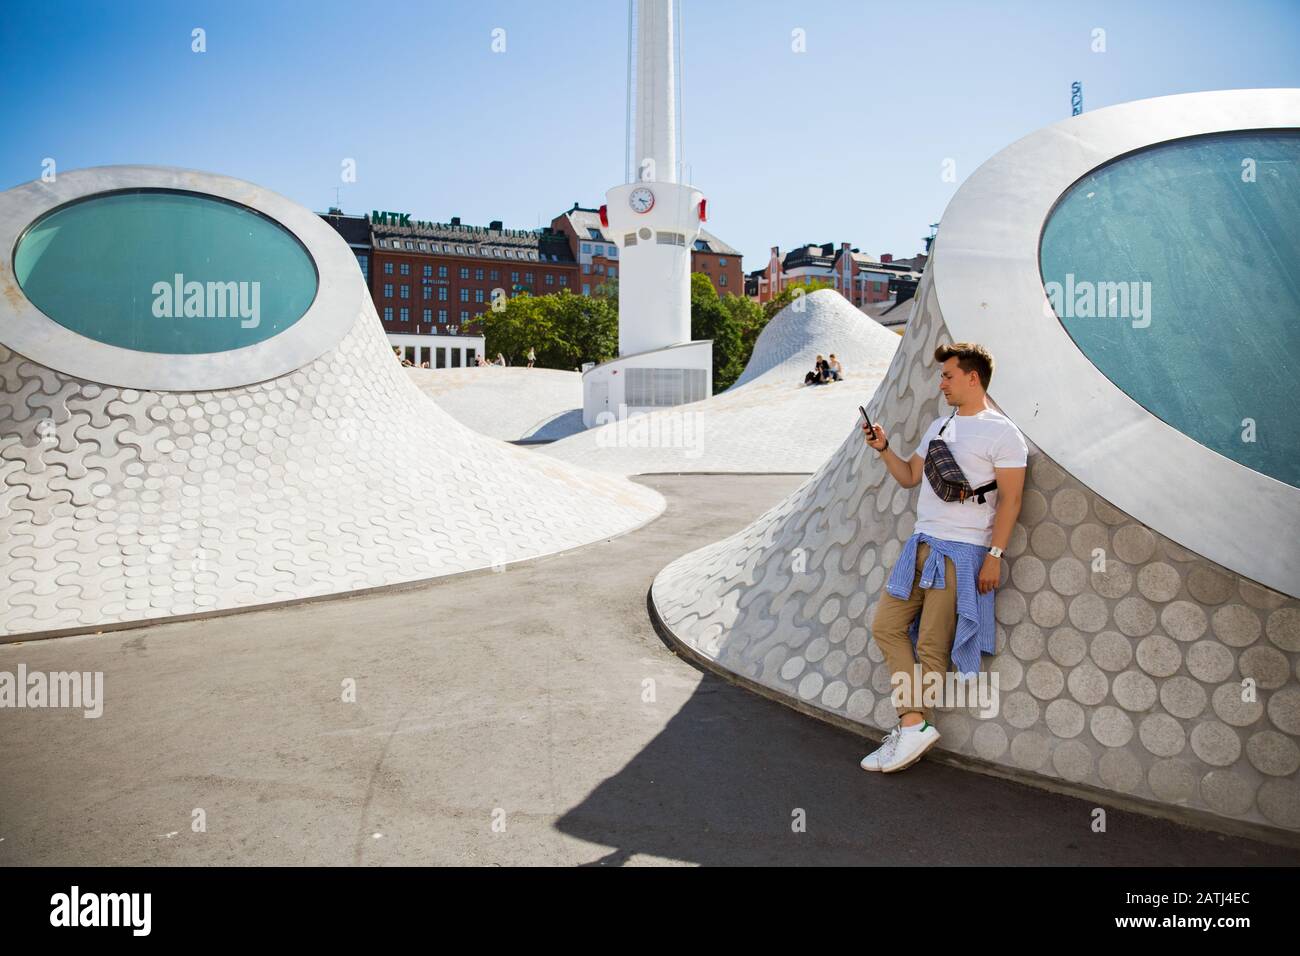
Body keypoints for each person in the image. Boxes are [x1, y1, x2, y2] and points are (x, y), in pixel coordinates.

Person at [859, 342, 1026, 773]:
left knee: (932, 645)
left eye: (948, 375)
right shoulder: (939, 425)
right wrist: (883, 449)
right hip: (920, 545)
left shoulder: (1003, 433)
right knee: (887, 627)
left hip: (962, 552)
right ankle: (913, 724)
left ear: (973, 378)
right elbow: (911, 477)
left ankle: (910, 727)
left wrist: (995, 555)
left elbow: (1010, 501)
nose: (942, 383)